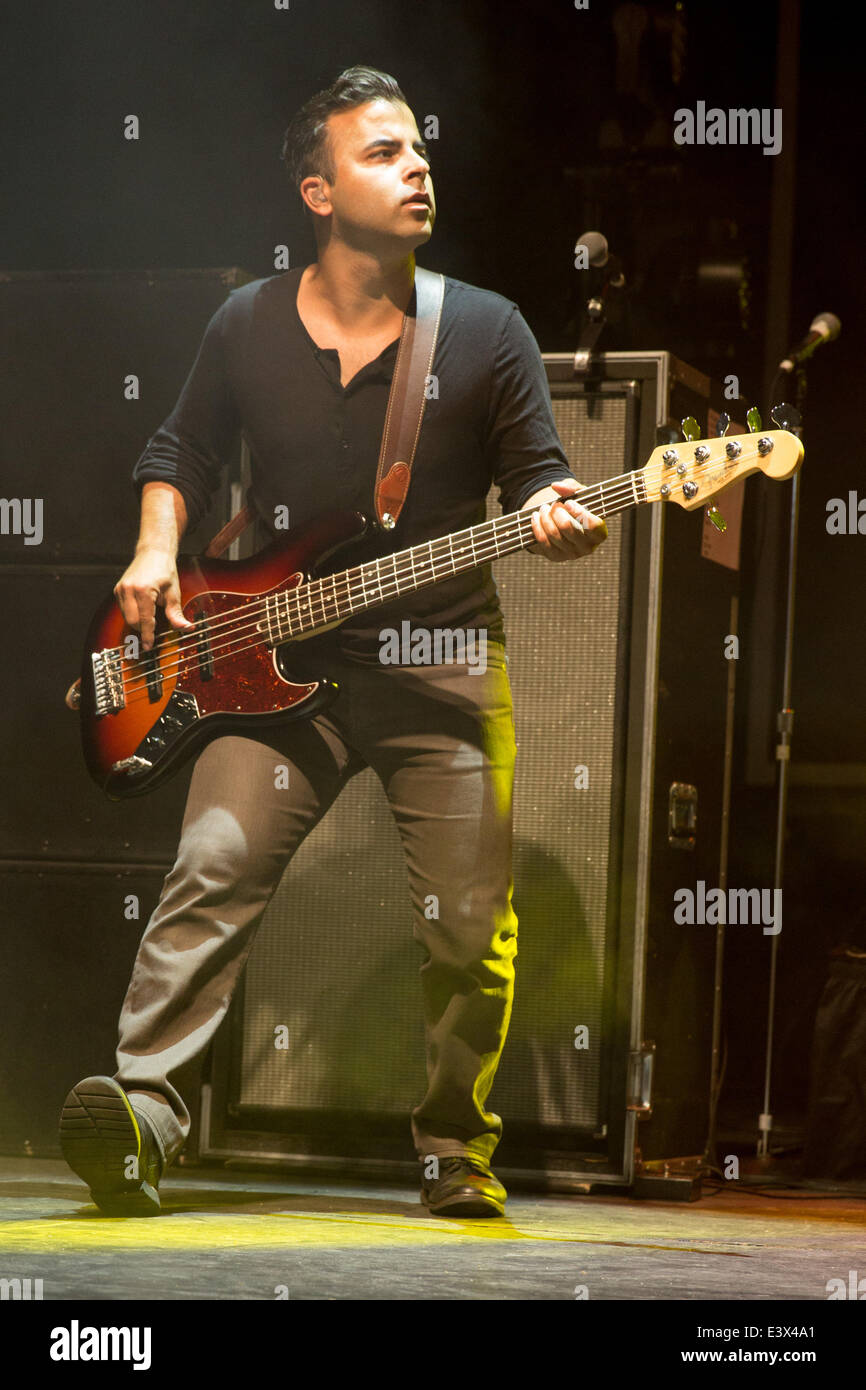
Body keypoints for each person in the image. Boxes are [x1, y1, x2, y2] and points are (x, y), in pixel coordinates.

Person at [60, 66, 607, 1220]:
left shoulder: (488, 330)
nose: (417, 167)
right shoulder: (246, 322)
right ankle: (145, 1121)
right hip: (267, 670)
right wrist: (157, 549)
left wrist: (557, 519)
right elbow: (177, 451)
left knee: (468, 927)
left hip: (442, 661)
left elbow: (540, 482)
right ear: (317, 191)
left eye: (418, 149)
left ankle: (453, 1146)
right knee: (210, 866)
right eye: (382, 153)